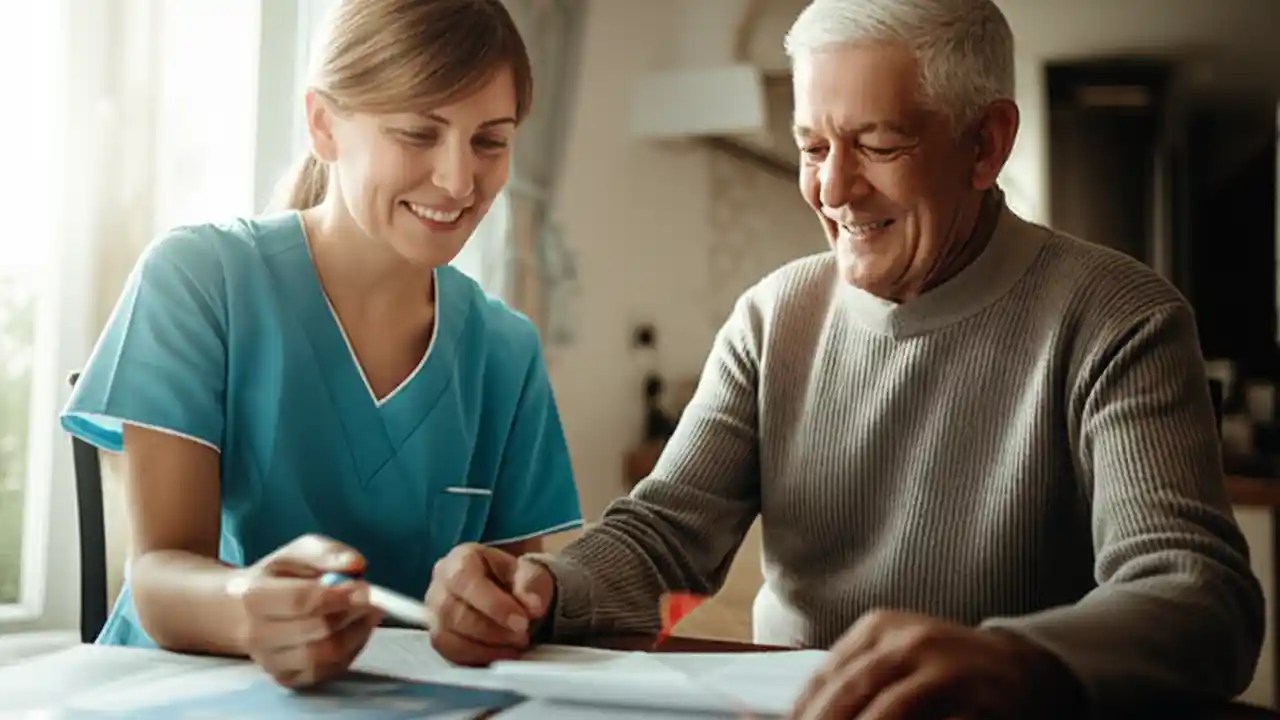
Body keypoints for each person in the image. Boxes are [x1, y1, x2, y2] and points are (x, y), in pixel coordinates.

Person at [423, 0, 1265, 716]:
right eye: (812, 146)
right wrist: (542, 591)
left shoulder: (1121, 319)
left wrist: (1018, 661)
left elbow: (1200, 600)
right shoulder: (772, 316)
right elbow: (661, 539)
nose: (832, 188)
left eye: (879, 144)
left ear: (985, 144)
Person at [60, 0, 581, 689]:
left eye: (490, 141)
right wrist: (252, 610)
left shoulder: (506, 352)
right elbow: (159, 574)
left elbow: (510, 594)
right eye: (418, 134)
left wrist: (501, 608)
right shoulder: (199, 279)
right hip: (169, 691)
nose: (459, 181)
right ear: (323, 124)